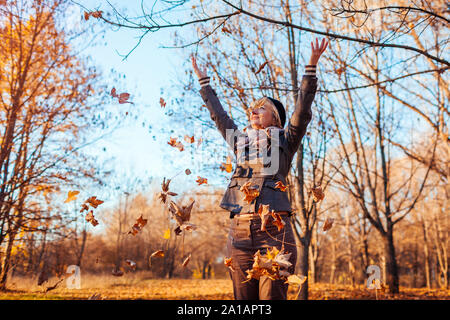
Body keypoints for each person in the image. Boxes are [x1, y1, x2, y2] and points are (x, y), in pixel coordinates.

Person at [191, 38, 328, 300]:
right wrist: (203, 83)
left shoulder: (285, 142)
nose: (254, 110)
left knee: (272, 297)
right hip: (239, 231)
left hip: (274, 231)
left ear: (275, 117)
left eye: (261, 107)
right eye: (253, 107)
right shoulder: (240, 142)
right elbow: (219, 116)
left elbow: (302, 110)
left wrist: (311, 67)